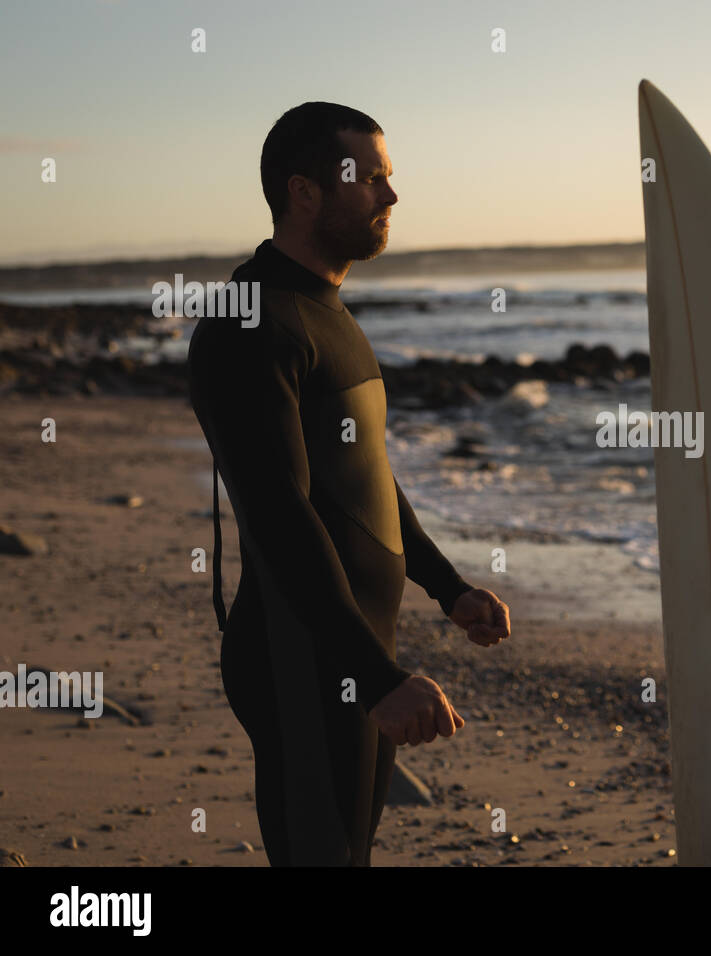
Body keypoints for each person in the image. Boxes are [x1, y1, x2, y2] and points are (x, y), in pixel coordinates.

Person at [187, 102, 510, 866]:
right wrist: (373, 675)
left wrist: (448, 587)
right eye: (369, 179)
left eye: (387, 178)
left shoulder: (326, 313)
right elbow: (279, 513)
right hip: (301, 653)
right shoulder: (251, 326)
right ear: (304, 192)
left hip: (352, 644)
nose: (390, 197)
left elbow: (363, 478)